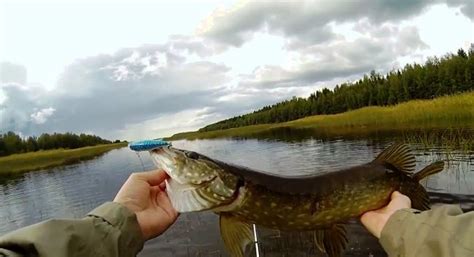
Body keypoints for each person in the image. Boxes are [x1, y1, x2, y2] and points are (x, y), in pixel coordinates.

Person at [0, 170, 472, 256]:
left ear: (233, 184)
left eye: (196, 168)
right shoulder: (233, 208)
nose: (180, 169)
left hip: (373, 197)